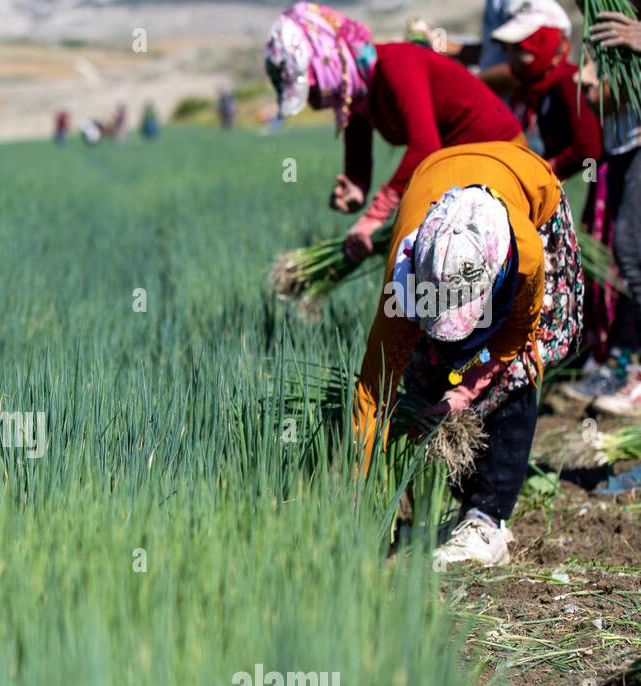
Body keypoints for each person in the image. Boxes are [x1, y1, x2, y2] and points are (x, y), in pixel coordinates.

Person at [353, 141, 583, 569]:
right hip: (436, 175)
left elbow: (516, 335)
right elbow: (372, 389)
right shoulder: (403, 276)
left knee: (515, 371)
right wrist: (353, 494)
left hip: (527, 185)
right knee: (428, 371)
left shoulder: (527, 254)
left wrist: (471, 386)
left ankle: (487, 519)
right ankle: (465, 511)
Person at [265, 3, 524, 264]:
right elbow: (358, 162)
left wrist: (374, 217)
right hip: (459, 167)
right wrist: (356, 188)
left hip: (499, 158)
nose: (313, 102)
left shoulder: (397, 65)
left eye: (312, 90)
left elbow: (425, 147)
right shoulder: (357, 97)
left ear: (327, 60)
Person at [566, 4, 641, 411]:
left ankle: (632, 376)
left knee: (634, 254)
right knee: (629, 262)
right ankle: (622, 366)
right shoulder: (607, 10)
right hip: (622, 141)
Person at [495, 0, 599, 180]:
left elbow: (588, 149)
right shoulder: (526, 92)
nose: (511, 57)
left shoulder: (570, 81)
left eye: (520, 48)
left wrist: (541, 175)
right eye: (508, 48)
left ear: (548, 43)